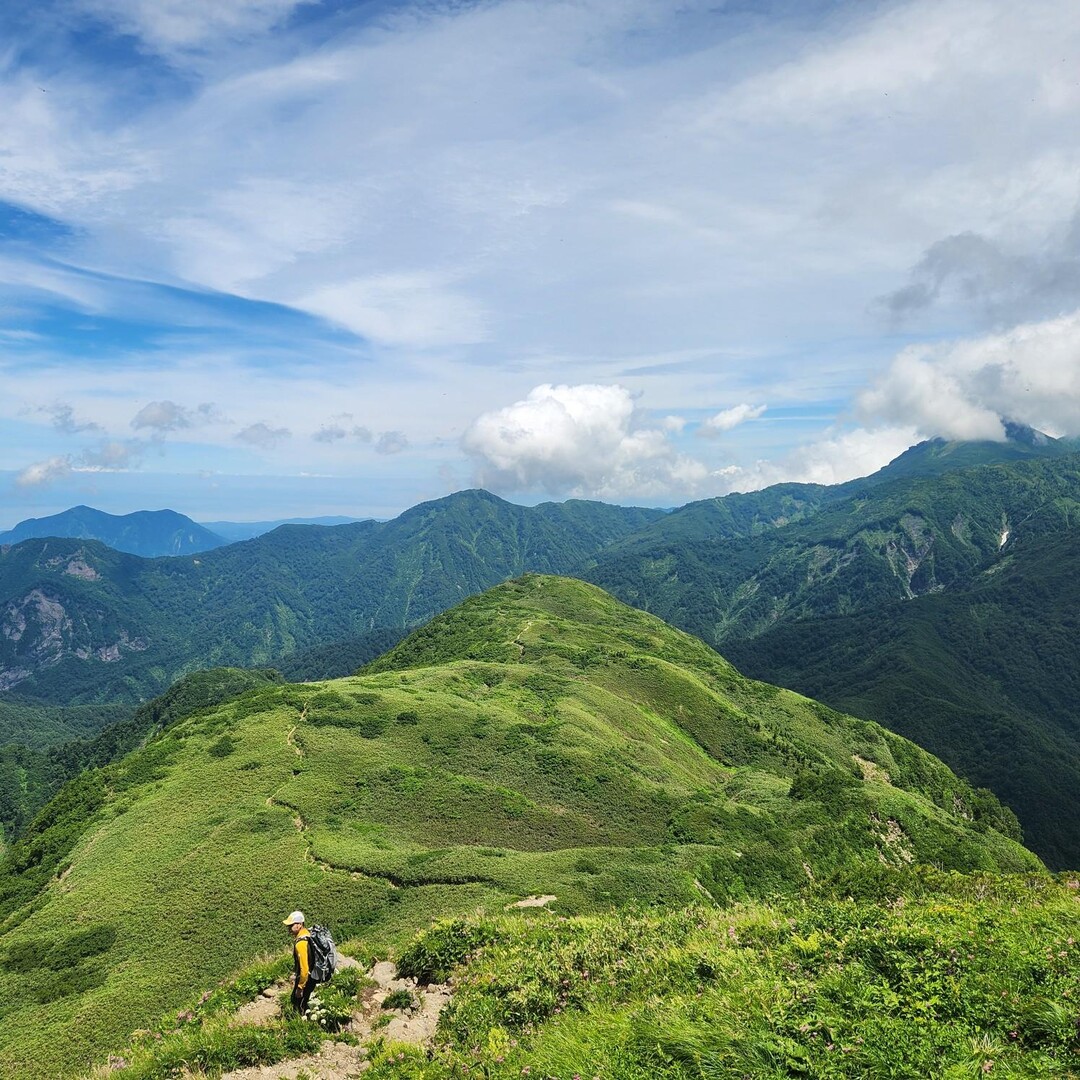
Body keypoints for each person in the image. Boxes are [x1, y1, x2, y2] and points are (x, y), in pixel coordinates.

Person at [283, 910, 314, 1015]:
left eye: (291, 925)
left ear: (299, 925)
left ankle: (300, 1021)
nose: (289, 928)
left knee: (297, 1003)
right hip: (312, 975)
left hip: (306, 979)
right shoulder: (307, 934)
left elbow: (304, 969)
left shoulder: (300, 943)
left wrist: (300, 987)